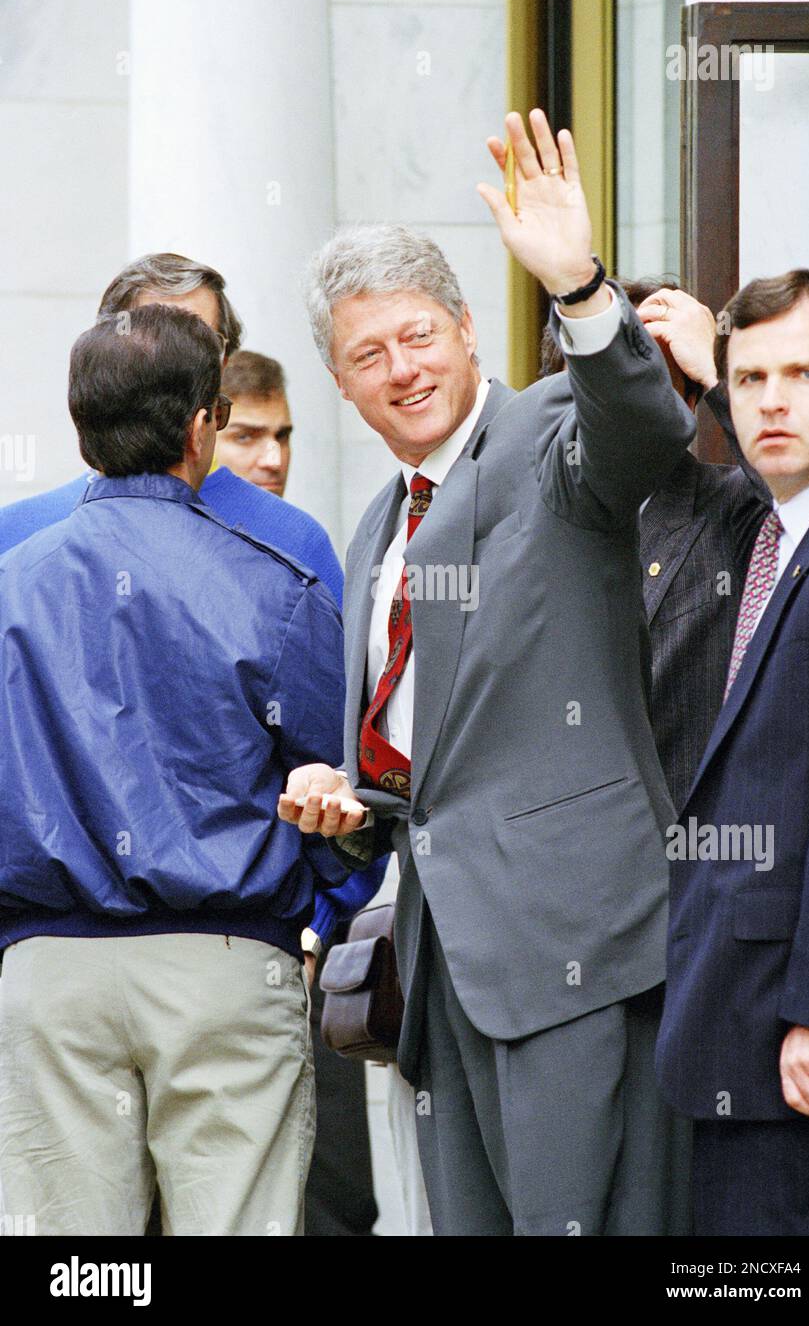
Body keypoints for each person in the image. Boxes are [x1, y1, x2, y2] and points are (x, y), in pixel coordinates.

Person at [280, 110, 696, 1236]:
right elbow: (430, 756)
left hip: (574, 943)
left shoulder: (550, 435)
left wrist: (580, 294)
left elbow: (642, 430)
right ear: (338, 381)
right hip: (442, 960)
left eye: (417, 336)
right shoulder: (376, 528)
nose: (400, 369)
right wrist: (345, 798)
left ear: (468, 331)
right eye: (367, 355)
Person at [0, 305, 350, 1236]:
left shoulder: (11, 583)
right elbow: (339, 793)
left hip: (48, 971)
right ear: (202, 428)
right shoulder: (274, 583)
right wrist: (324, 900)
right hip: (226, 963)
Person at [655, 269, 809, 1236]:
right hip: (733, 1022)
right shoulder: (782, 532)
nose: (773, 400)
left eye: (806, 373)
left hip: (800, 1040)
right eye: (749, 379)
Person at [542, 280, 771, 811]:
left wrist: (717, 372)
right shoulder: (521, 516)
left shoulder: (731, 505)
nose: (625, 415)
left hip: (680, 855)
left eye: (649, 392)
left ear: (689, 405)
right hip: (553, 859)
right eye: (604, 394)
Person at [0, 253, 342, 607]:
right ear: (107, 351)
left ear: (225, 361)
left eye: (200, 340)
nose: (176, 358)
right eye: (153, 335)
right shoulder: (15, 533)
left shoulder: (294, 540)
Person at [214, 349, 293, 497]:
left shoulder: (298, 520)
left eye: (282, 436)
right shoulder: (168, 518)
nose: (274, 462)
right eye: (245, 437)